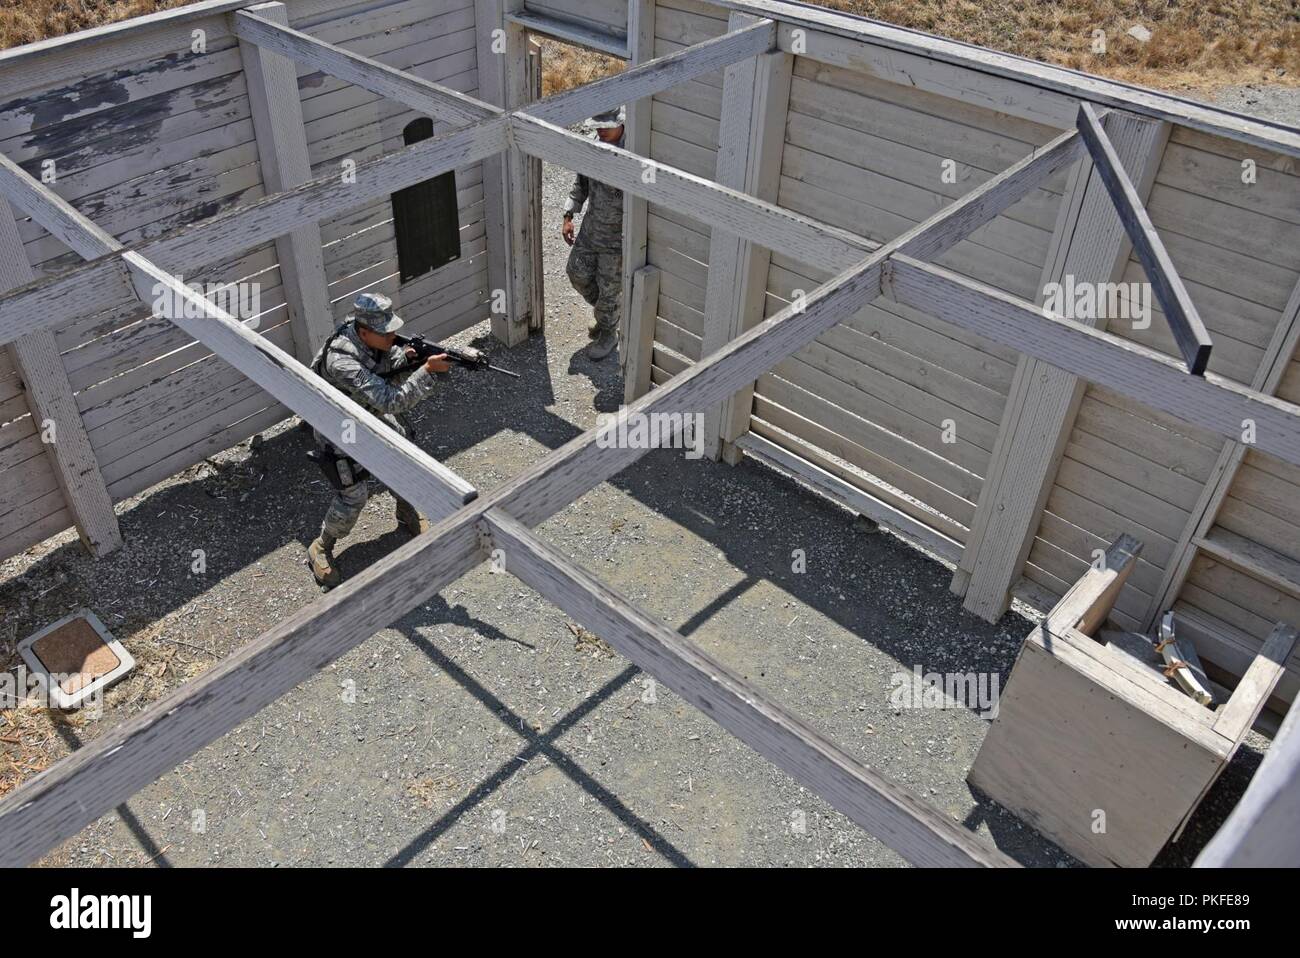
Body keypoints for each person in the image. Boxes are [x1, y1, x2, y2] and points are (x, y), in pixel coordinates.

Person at [305, 292, 451, 587]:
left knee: (403, 462)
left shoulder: (366, 338)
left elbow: (382, 367)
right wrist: (425, 371)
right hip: (340, 427)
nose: (393, 336)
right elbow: (390, 400)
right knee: (353, 495)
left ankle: (406, 512)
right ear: (364, 332)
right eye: (386, 333)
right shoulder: (341, 361)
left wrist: (406, 356)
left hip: (367, 413)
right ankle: (321, 546)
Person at [563, 107, 625, 361]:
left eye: (606, 126)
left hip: (617, 241)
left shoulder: (637, 153)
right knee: (576, 273)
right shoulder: (593, 145)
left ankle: (609, 332)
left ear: (622, 123)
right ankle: (608, 315)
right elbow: (581, 184)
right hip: (591, 230)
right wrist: (568, 215)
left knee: (609, 289)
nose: (600, 130)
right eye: (597, 126)